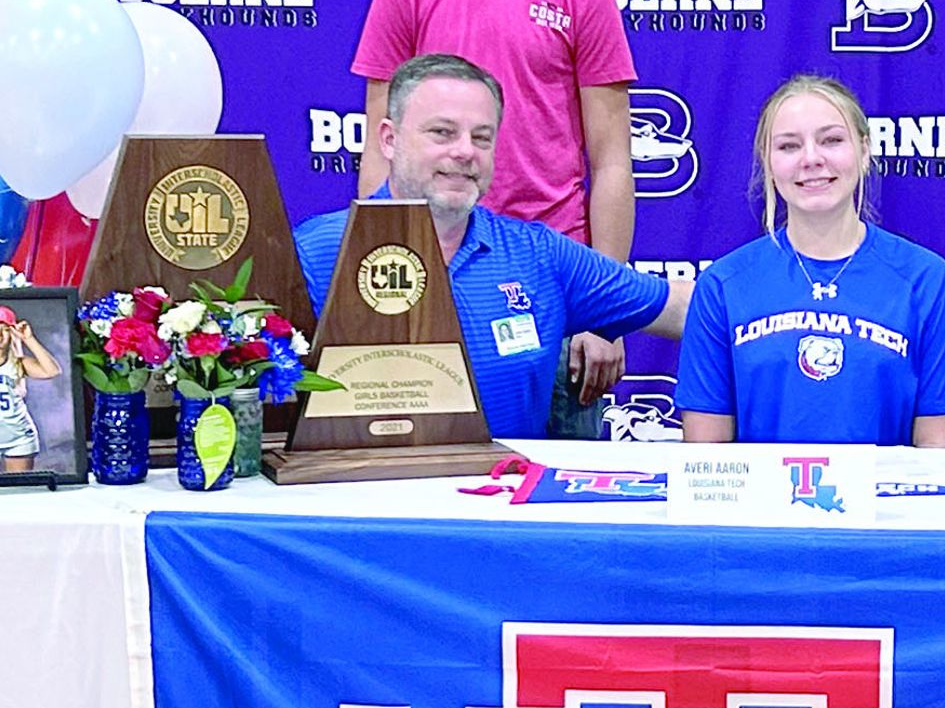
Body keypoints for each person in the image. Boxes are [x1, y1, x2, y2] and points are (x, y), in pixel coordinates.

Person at [351, 0, 636, 436]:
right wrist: (381, 285)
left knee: (562, 514)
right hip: (432, 275)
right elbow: (378, 150)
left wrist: (604, 309)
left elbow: (613, 160)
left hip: (552, 281)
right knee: (420, 501)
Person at [295, 55, 690, 441]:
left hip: (500, 500)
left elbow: (682, 308)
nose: (466, 151)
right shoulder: (315, 253)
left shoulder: (537, 256)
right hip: (354, 498)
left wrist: (753, 285)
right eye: (443, 132)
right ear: (389, 139)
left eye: (481, 137)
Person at [676, 75, 945, 446]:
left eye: (832, 140)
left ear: (865, 151)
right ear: (768, 163)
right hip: (757, 505)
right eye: (788, 146)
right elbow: (708, 466)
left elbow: (937, 462)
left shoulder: (926, 281)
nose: (812, 159)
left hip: (889, 504)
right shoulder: (722, 286)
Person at [0, 305, 62, 473]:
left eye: (5, 329)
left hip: (19, 438)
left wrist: (28, 339)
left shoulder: (19, 362)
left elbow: (52, 370)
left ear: (12, 333)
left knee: (20, 492)